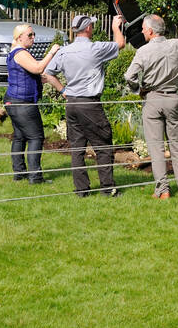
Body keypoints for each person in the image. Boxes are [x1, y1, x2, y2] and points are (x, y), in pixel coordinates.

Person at [43, 13, 127, 197]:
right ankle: (107, 188)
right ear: (88, 28)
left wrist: (63, 90)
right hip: (89, 105)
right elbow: (120, 43)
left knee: (77, 149)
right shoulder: (95, 48)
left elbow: (48, 73)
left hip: (72, 104)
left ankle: (81, 190)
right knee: (103, 146)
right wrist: (115, 27)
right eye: (93, 26)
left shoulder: (64, 51)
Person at [124, 14, 178, 199]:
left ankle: (163, 191)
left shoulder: (143, 51)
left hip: (152, 99)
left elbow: (129, 76)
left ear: (150, 31)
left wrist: (137, 90)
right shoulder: (176, 45)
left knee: (156, 147)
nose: (141, 31)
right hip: (172, 98)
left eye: (143, 28)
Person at [6, 24, 59, 184]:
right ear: (19, 37)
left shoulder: (18, 53)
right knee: (36, 137)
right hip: (22, 103)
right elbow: (37, 68)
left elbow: (25, 73)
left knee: (20, 137)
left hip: (14, 100)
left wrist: (38, 79)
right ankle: (35, 177)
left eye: (33, 34)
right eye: (30, 35)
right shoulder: (20, 53)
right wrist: (52, 52)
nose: (33, 37)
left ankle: (19, 172)